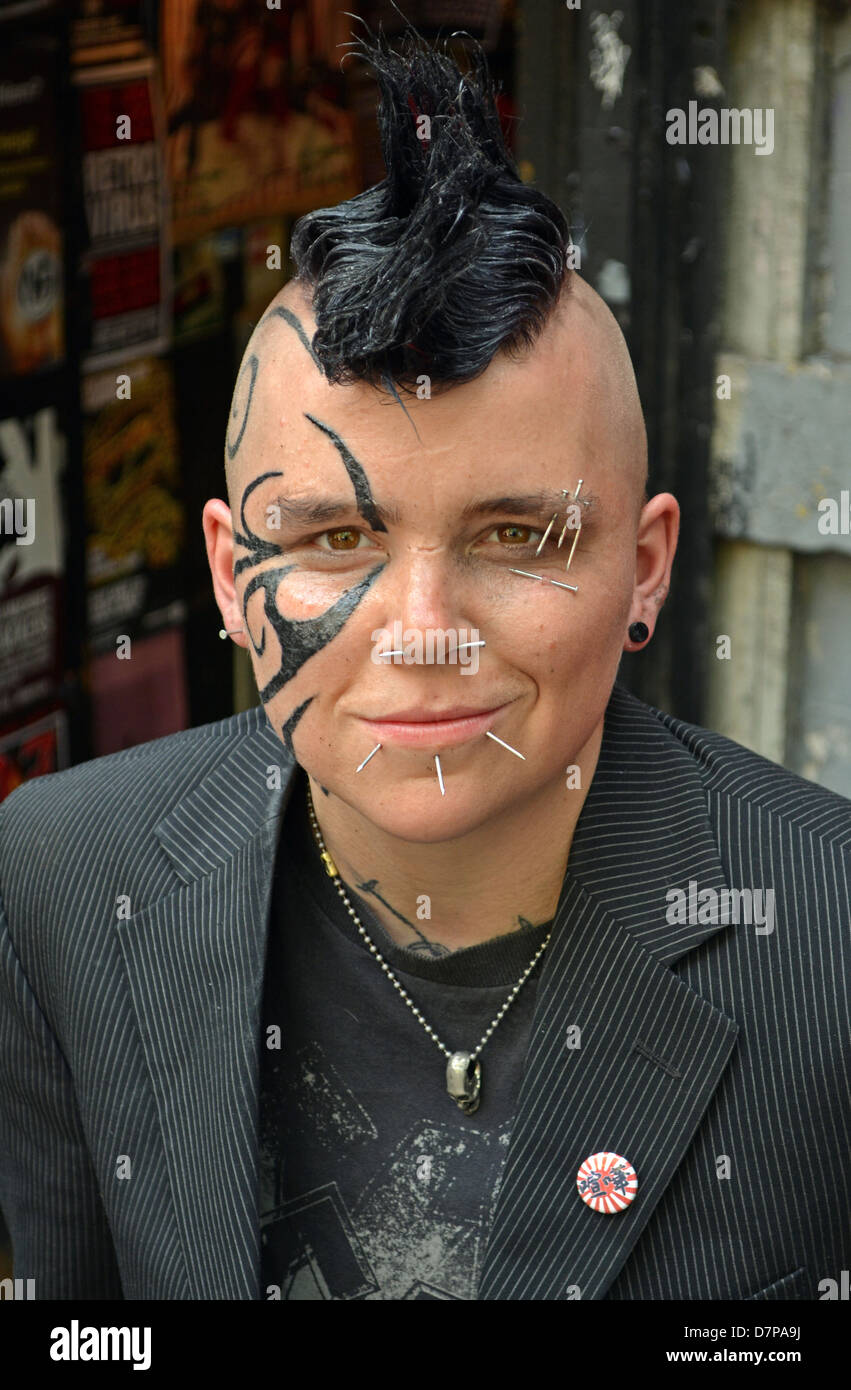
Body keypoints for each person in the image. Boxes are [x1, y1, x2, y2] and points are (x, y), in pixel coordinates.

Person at [0, 25, 848, 1303]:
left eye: (514, 537)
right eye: (337, 539)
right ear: (231, 578)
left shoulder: (825, 932)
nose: (423, 629)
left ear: (646, 564)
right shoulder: (65, 874)